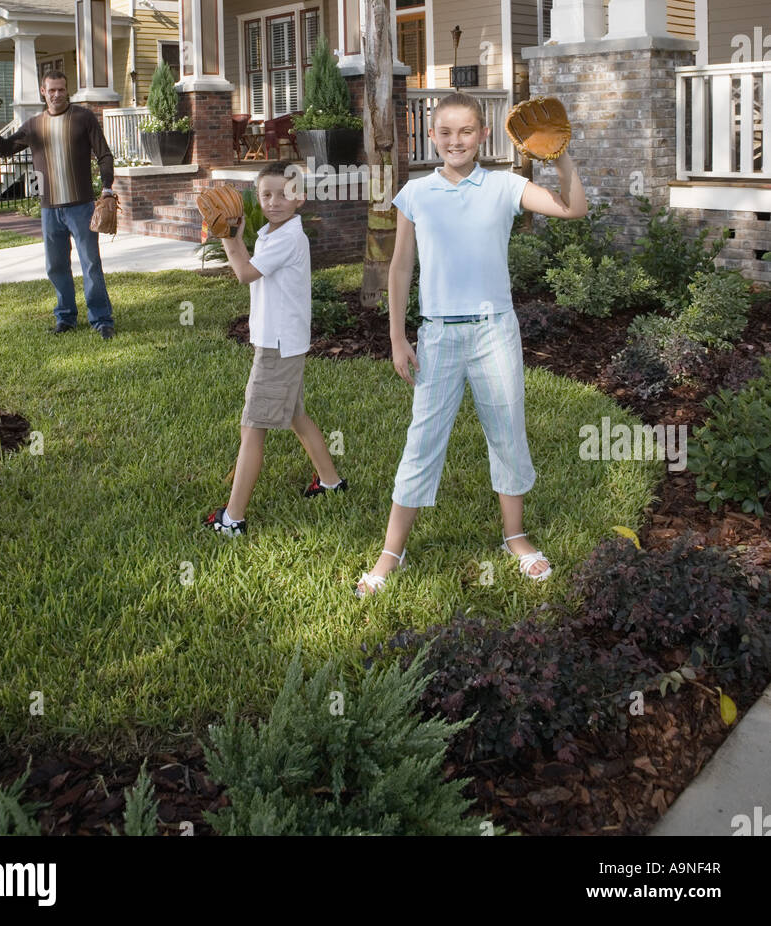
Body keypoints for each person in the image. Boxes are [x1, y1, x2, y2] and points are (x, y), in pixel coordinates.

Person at [355, 91, 588, 596]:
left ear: (483, 135)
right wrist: (397, 337)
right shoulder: (416, 193)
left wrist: (560, 153)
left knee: (507, 433)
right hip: (436, 335)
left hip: (494, 332)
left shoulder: (506, 185)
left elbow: (574, 209)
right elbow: (399, 267)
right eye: (446, 132)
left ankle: (516, 537)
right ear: (431, 137)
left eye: (466, 131)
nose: (455, 140)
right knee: (422, 441)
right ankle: (390, 553)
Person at [203, 161, 346, 537]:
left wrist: (229, 236)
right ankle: (331, 481)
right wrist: (239, 234)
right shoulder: (271, 232)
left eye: (284, 194)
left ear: (300, 197)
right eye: (266, 194)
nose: (274, 201)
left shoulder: (287, 238)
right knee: (296, 414)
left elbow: (244, 272)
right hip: (283, 342)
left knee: (252, 428)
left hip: (278, 346)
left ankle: (233, 519)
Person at [0, 73, 117, 338]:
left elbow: (104, 155)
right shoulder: (34, 126)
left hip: (82, 206)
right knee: (56, 266)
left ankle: (101, 319)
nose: (57, 94)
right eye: (52, 90)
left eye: (62, 89)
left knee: (91, 263)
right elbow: (3, 150)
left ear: (67, 91)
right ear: (43, 91)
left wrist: (108, 187)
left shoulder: (83, 118)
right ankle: (65, 318)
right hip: (49, 209)